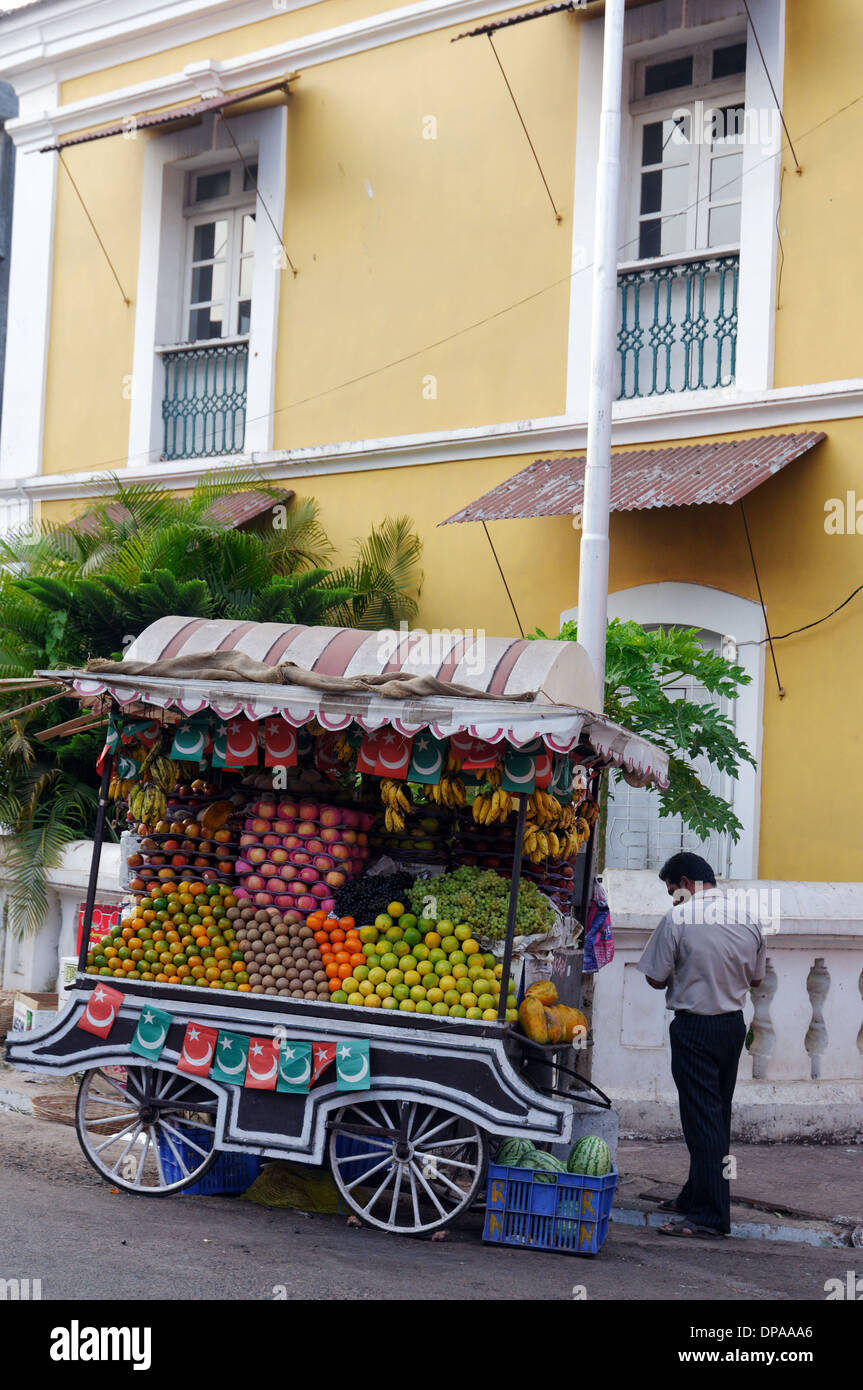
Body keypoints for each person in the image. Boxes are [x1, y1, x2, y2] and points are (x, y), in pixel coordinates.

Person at [637, 851, 765, 1239]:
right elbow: (757, 980)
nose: (673, 897)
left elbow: (655, 979)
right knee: (715, 1116)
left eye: (672, 890)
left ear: (687, 884)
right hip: (732, 1026)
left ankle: (710, 1216)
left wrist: (685, 970)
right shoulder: (749, 917)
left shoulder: (679, 917)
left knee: (701, 1121)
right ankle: (695, 1195)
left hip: (695, 1028)